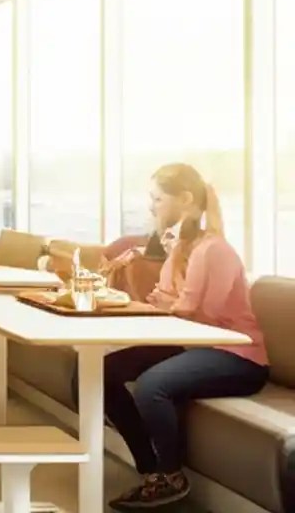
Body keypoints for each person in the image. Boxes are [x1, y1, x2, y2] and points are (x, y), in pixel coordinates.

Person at [95, 163, 268, 509]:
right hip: (197, 343)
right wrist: (162, 297)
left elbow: (203, 315)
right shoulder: (181, 248)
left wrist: (172, 302)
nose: (151, 207)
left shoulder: (214, 249)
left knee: (151, 387)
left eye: (158, 199)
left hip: (237, 354)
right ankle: (152, 472)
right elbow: (165, 299)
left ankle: (170, 475)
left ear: (185, 200)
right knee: (101, 372)